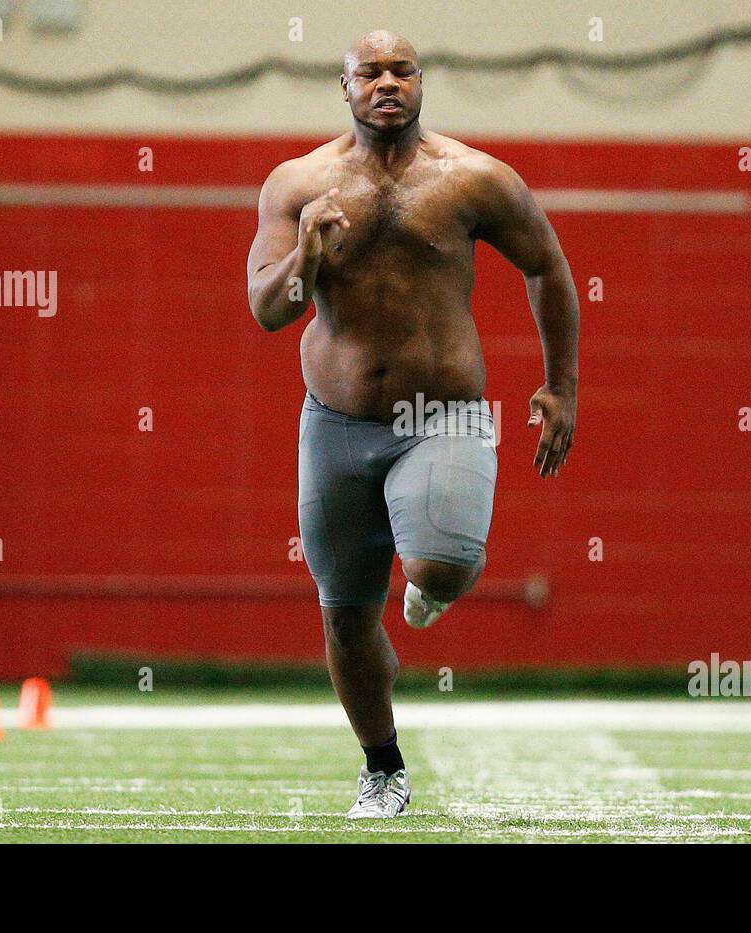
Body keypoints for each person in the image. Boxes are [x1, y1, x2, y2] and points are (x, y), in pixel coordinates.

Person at [246, 30, 579, 818]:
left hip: (443, 412)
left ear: (423, 82)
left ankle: (428, 587)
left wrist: (560, 385)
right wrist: (308, 256)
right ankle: (382, 767)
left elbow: (547, 266)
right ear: (346, 87)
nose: (387, 82)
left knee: (438, 568)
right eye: (371, 72)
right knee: (345, 611)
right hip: (334, 421)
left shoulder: (474, 178)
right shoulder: (297, 184)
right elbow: (268, 311)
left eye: (402, 70)